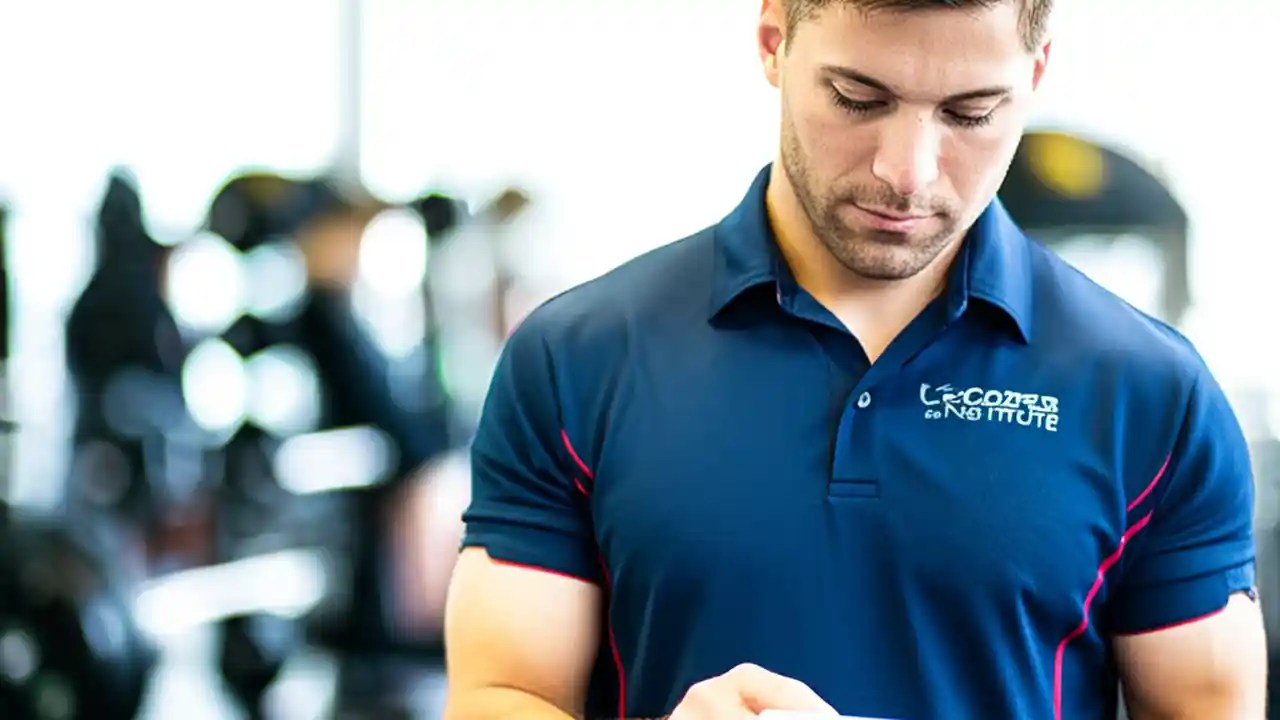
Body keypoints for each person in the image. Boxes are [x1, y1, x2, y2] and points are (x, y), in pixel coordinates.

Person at [442, 0, 1268, 718]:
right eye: (857, 99)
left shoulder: (1150, 394)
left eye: (971, 113)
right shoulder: (578, 360)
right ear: (773, 40)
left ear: (1037, 72)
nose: (906, 172)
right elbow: (496, 695)